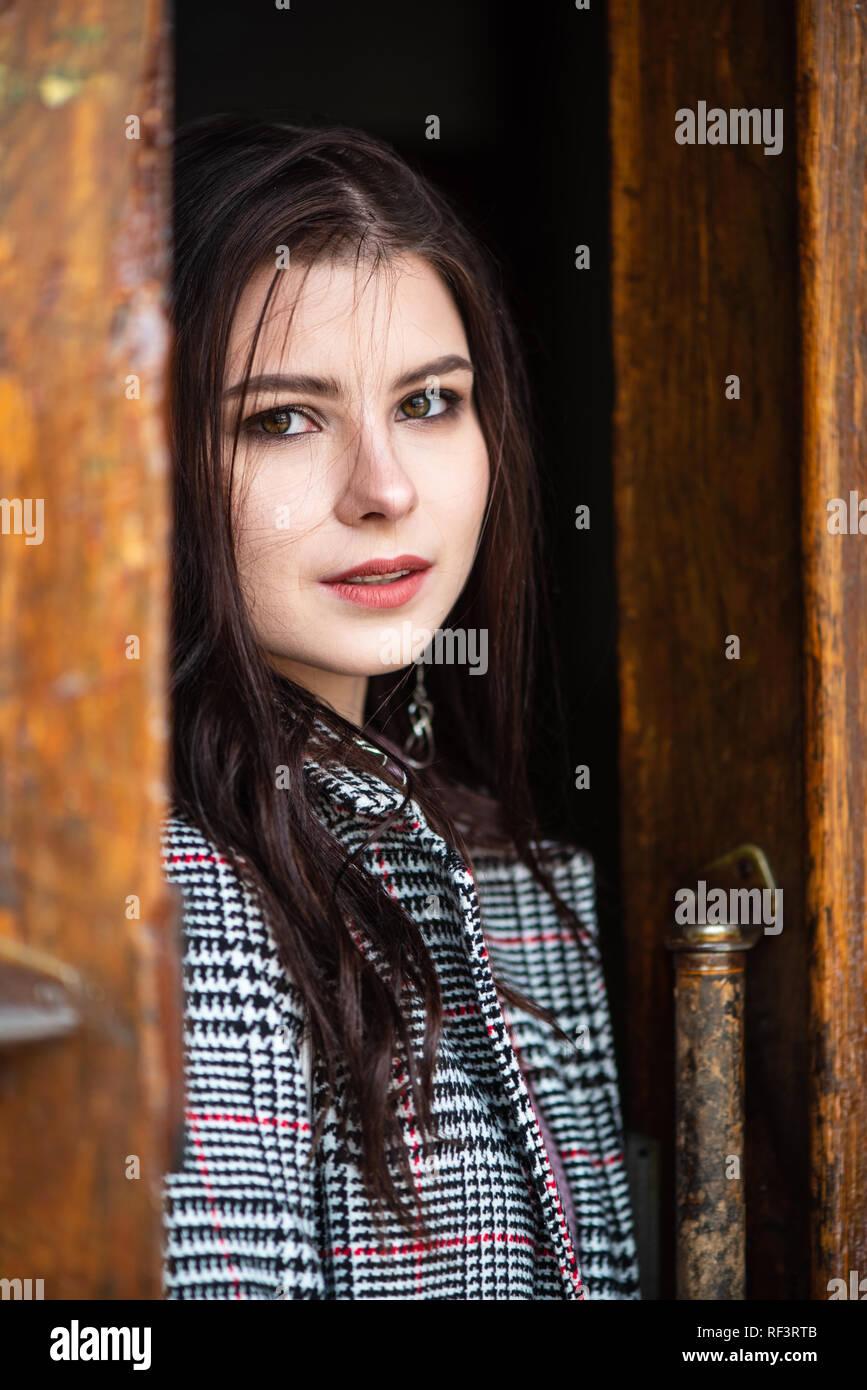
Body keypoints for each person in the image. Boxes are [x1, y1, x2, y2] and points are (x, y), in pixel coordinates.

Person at [161, 113, 641, 1300]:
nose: (385, 489)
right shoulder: (159, 904)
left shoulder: (510, 879)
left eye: (429, 402)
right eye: (282, 417)